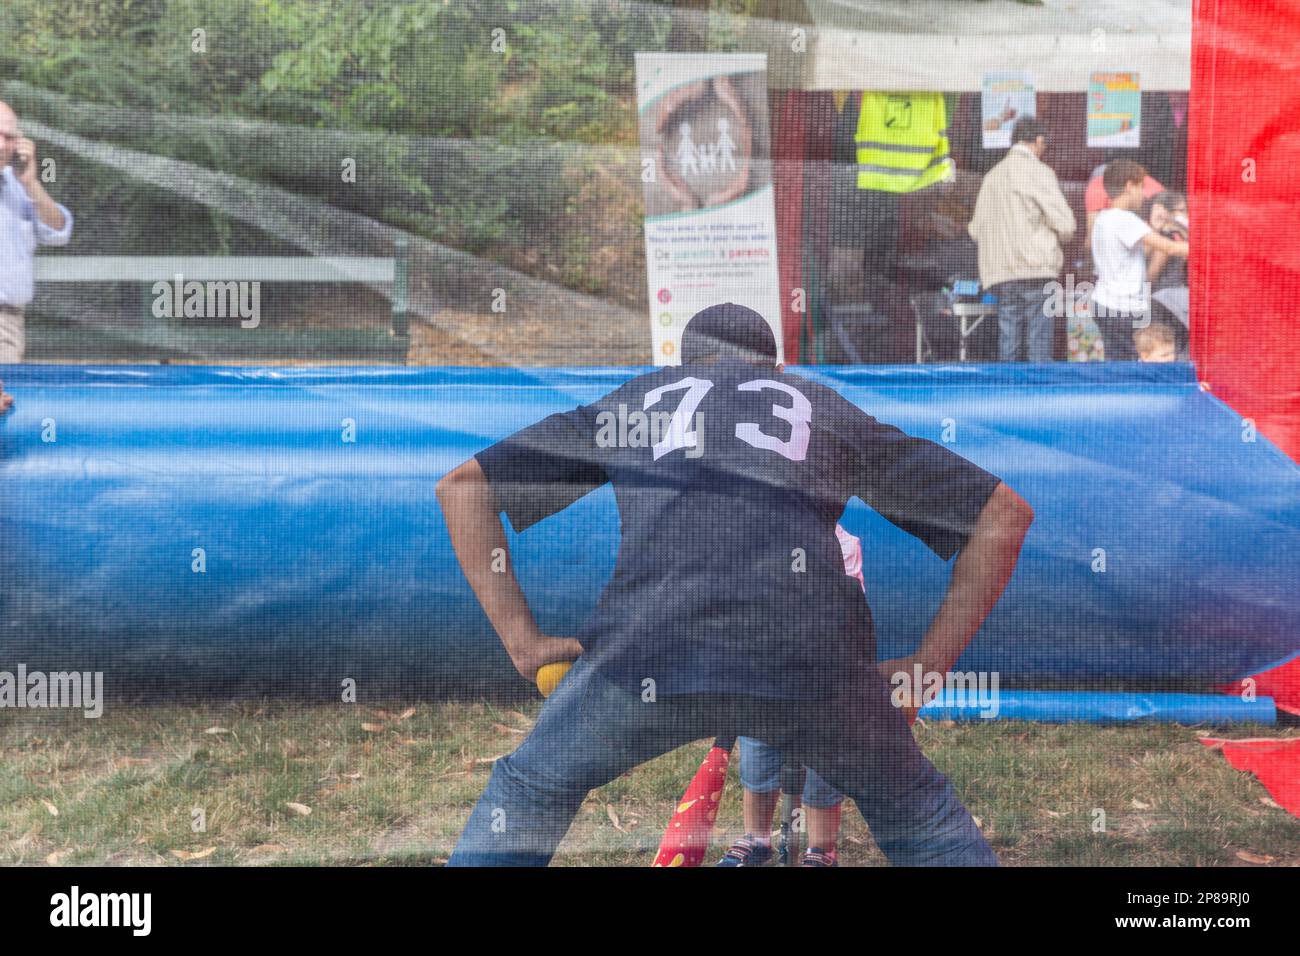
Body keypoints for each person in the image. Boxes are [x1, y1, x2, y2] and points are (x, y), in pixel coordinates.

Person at [438, 302, 1034, 867]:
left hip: (650, 652)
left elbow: (463, 488)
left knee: (531, 788)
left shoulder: (639, 401)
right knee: (918, 811)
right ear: (776, 369)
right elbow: (1003, 514)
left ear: (681, 366)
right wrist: (929, 666)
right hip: (811, 663)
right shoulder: (819, 406)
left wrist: (523, 641)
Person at [718, 523, 865, 868]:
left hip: (826, 680)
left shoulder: (843, 544)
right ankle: (757, 840)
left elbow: (848, 612)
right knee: (758, 761)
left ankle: (821, 849)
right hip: (764, 678)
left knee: (823, 768)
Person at [967, 116, 1076, 362]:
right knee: (1039, 343)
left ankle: (1008, 385)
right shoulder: (1039, 172)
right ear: (1038, 141)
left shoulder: (991, 177)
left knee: (1009, 339)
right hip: (1036, 268)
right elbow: (1066, 225)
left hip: (1001, 272)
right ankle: (1037, 386)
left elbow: (975, 230)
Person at [1, 99, 75, 411]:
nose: (5, 144)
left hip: (7, 324)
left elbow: (58, 231)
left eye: (11, 136)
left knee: (4, 414)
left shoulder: (17, 186)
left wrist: (31, 183)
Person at [1090, 161, 1189, 361]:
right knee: (1137, 362)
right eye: (1141, 187)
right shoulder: (1125, 219)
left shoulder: (1103, 218)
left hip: (1104, 303)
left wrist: (1156, 229)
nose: (1143, 195)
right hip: (1124, 308)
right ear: (1129, 186)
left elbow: (1137, 253)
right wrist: (1210, 249)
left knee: (1117, 363)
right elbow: (1171, 248)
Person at [1145, 191, 1189, 292]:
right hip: (1164, 295)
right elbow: (1151, 276)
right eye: (1181, 210)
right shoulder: (1166, 237)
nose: (1185, 214)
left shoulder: (1170, 235)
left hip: (1166, 293)